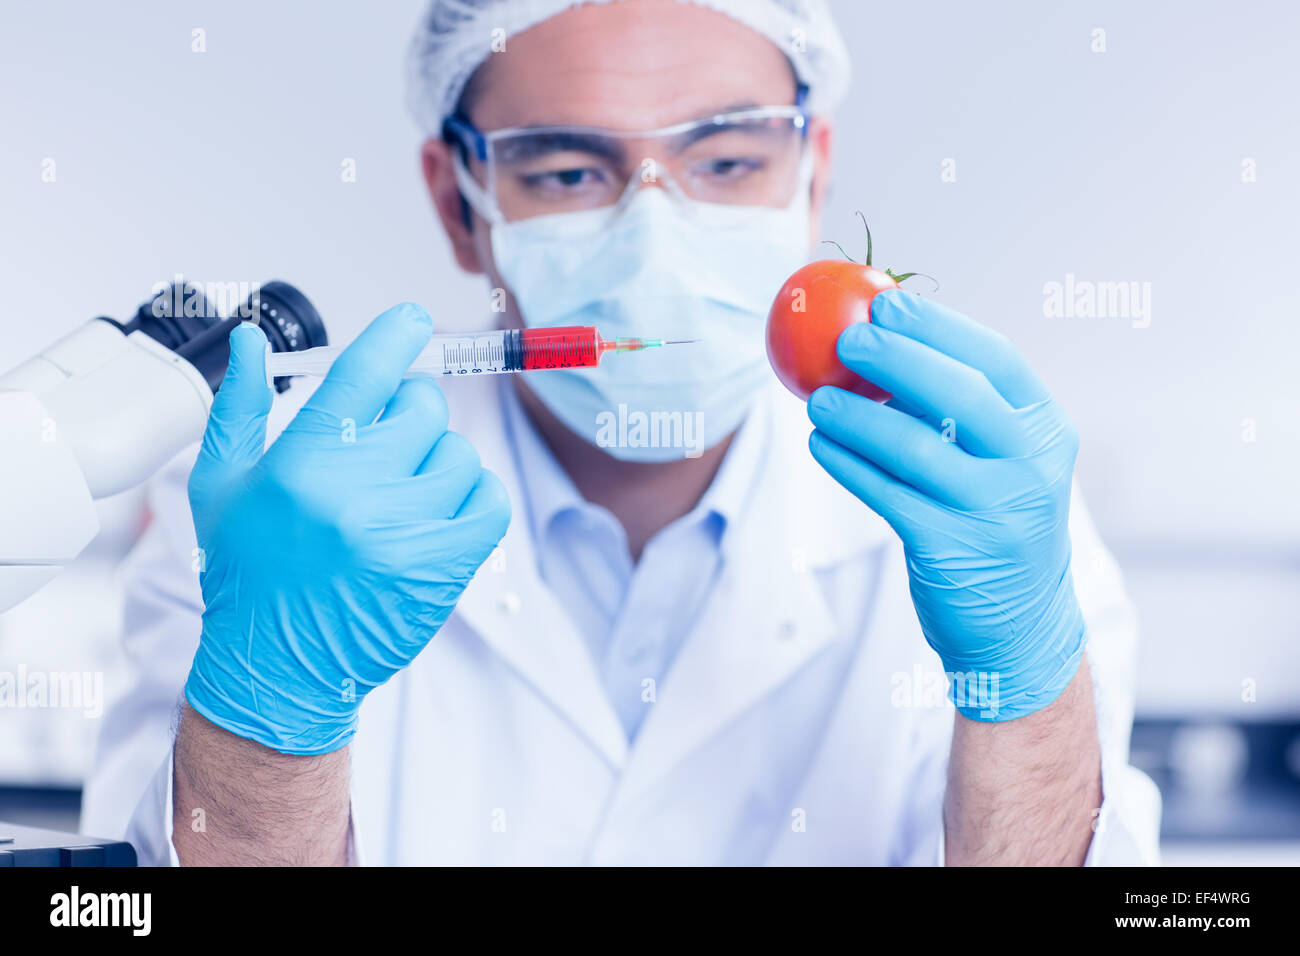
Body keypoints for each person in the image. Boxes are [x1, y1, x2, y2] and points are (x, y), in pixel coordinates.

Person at [82, 0, 1160, 865]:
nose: (655, 236)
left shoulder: (988, 509)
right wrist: (269, 712)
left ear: (813, 169)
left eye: (727, 162)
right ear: (461, 202)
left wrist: (1021, 688)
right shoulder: (258, 509)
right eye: (565, 171)